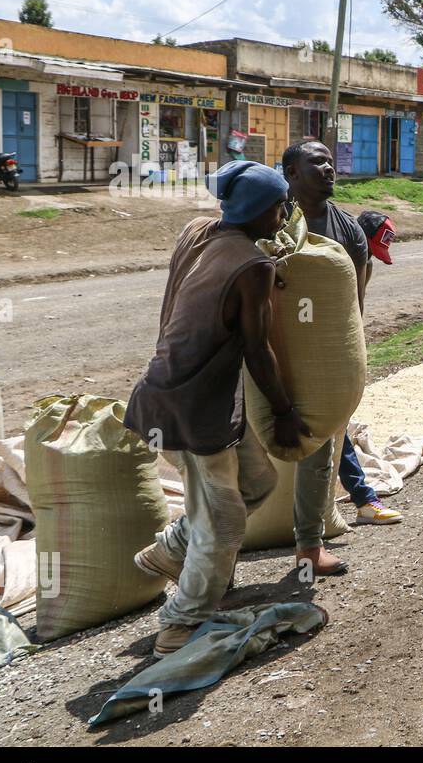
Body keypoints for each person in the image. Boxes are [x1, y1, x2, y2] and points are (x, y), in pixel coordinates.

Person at [127, 160, 308, 658]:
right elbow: (258, 349)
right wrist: (285, 411)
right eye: (280, 208)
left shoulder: (198, 232)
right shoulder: (253, 266)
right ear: (267, 211)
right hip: (190, 405)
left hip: (181, 397)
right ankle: (179, 626)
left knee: (257, 483)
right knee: (224, 523)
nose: (283, 216)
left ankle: (171, 549)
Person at [281, 139, 403, 531]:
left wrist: (350, 349)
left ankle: (354, 504)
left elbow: (355, 300)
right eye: (317, 162)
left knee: (332, 421)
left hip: (325, 344)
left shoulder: (347, 229)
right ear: (291, 173)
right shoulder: (271, 217)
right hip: (277, 340)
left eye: (331, 162)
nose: (328, 168)